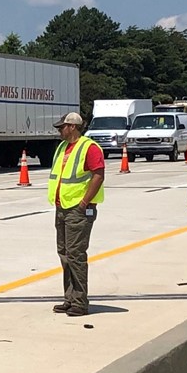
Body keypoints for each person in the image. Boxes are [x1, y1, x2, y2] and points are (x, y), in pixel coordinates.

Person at [48, 111, 106, 317]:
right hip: (62, 207)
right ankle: (70, 298)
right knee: (64, 254)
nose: (59, 131)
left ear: (72, 126)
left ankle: (80, 302)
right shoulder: (63, 147)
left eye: (61, 127)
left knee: (76, 255)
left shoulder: (89, 147)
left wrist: (83, 203)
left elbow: (98, 175)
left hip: (78, 210)